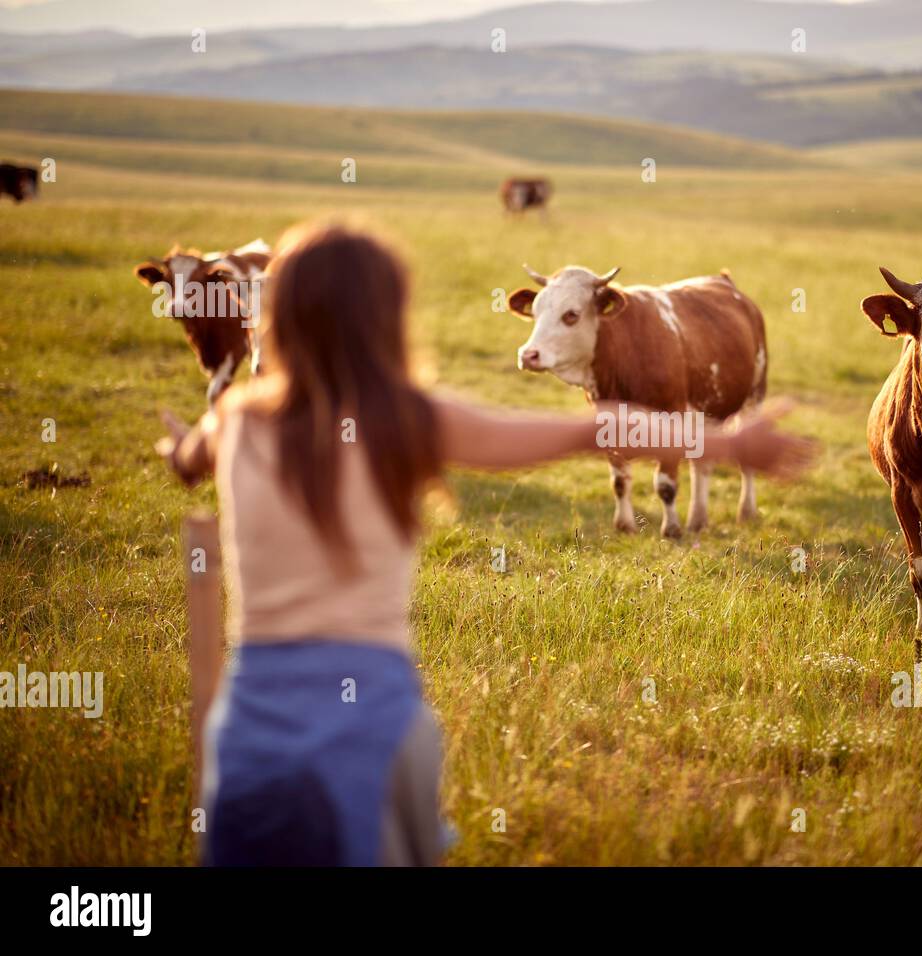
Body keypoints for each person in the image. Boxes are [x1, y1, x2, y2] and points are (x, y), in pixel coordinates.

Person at [155, 221, 816, 866]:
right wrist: (726, 443)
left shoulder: (238, 419)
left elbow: (191, 454)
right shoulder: (406, 419)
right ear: (387, 317)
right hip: (372, 719)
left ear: (279, 315)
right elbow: (593, 432)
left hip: (251, 720)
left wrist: (180, 451)